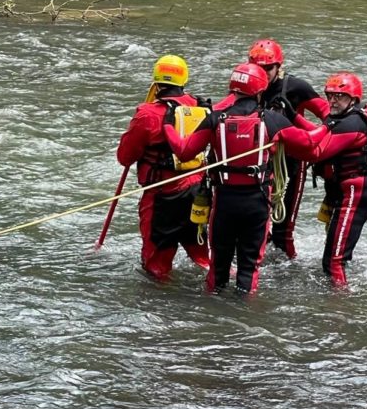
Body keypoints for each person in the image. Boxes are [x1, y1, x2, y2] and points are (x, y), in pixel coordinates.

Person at [163, 62, 328, 295]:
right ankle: (245, 320)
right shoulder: (272, 119)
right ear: (260, 92)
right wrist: (328, 125)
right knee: (248, 268)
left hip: (224, 204)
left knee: (218, 267)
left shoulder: (214, 119)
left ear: (233, 90)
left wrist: (169, 125)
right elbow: (310, 146)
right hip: (257, 203)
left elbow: (183, 151)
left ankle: (213, 314)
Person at [116, 54, 210, 280]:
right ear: (183, 80)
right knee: (204, 257)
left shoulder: (147, 114)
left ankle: (159, 306)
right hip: (199, 194)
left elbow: (125, 157)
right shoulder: (201, 107)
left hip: (161, 198)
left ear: (156, 81)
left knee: (156, 266)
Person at [291, 72, 367, 288]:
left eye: (339, 96)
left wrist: (283, 132)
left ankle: (339, 308)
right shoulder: (346, 116)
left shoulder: (351, 124)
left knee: (334, 261)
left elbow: (315, 151)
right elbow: (320, 131)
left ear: (353, 99)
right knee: (333, 256)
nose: (332, 101)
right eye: (329, 95)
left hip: (358, 191)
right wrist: (293, 116)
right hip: (356, 189)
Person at [247, 38, 329, 259]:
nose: (263, 74)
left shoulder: (296, 88)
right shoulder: (247, 86)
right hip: (259, 163)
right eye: (258, 68)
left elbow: (330, 118)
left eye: (268, 68)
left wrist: (295, 119)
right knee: (255, 224)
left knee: (283, 229)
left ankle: (288, 269)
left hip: (290, 163)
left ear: (279, 67)